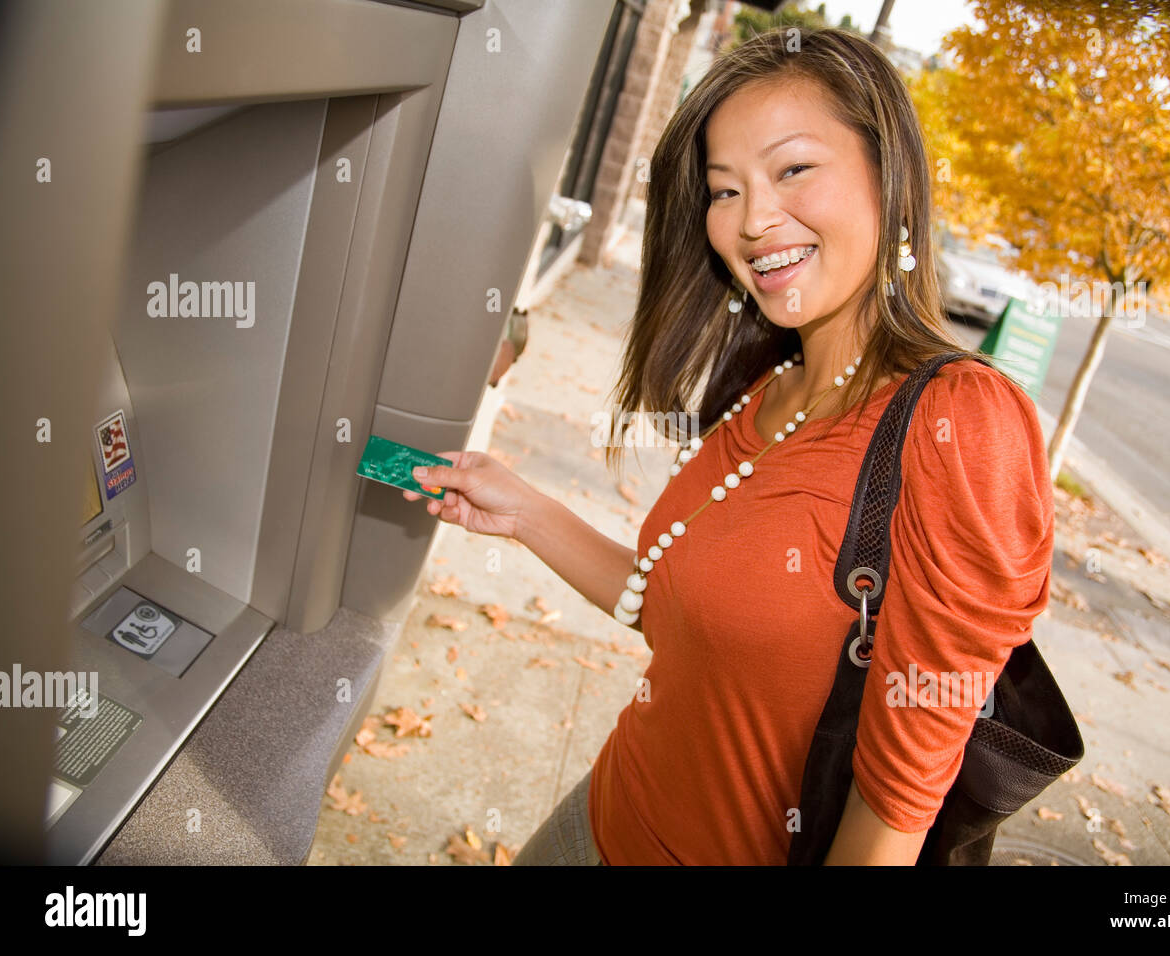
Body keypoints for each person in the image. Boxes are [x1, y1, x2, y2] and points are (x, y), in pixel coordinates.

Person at [404, 26, 1053, 865]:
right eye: (723, 190)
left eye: (793, 170)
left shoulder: (961, 421)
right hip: (597, 818)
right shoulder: (764, 388)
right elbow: (671, 611)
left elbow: (895, 811)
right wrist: (523, 510)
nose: (752, 221)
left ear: (889, 179)